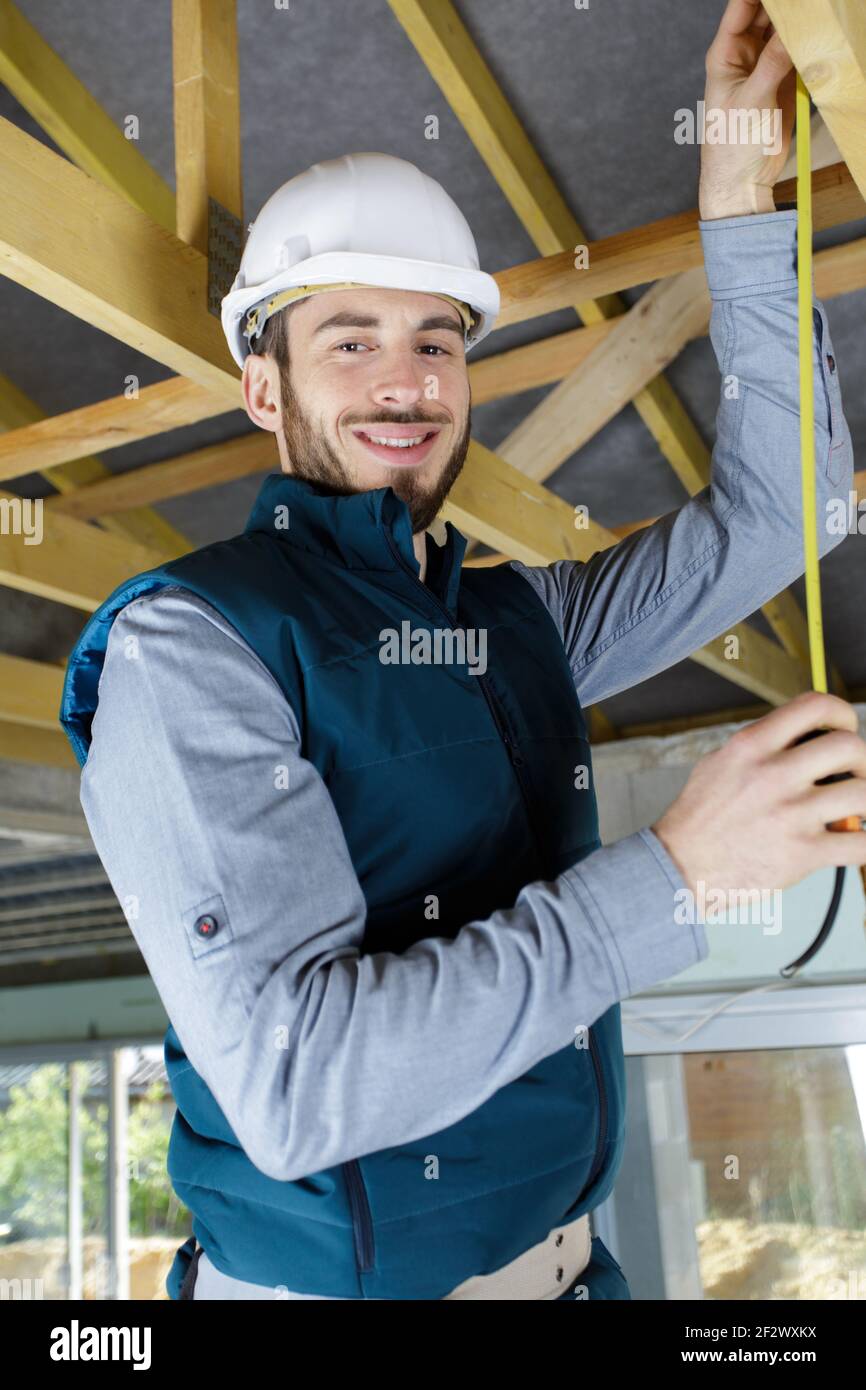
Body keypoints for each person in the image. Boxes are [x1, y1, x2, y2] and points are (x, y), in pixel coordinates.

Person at [59, 1, 864, 1300]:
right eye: (350, 339)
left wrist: (737, 202)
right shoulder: (193, 647)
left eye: (436, 342)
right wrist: (677, 873)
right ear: (263, 391)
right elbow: (294, 1086)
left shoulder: (510, 628)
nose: (405, 380)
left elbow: (790, 513)